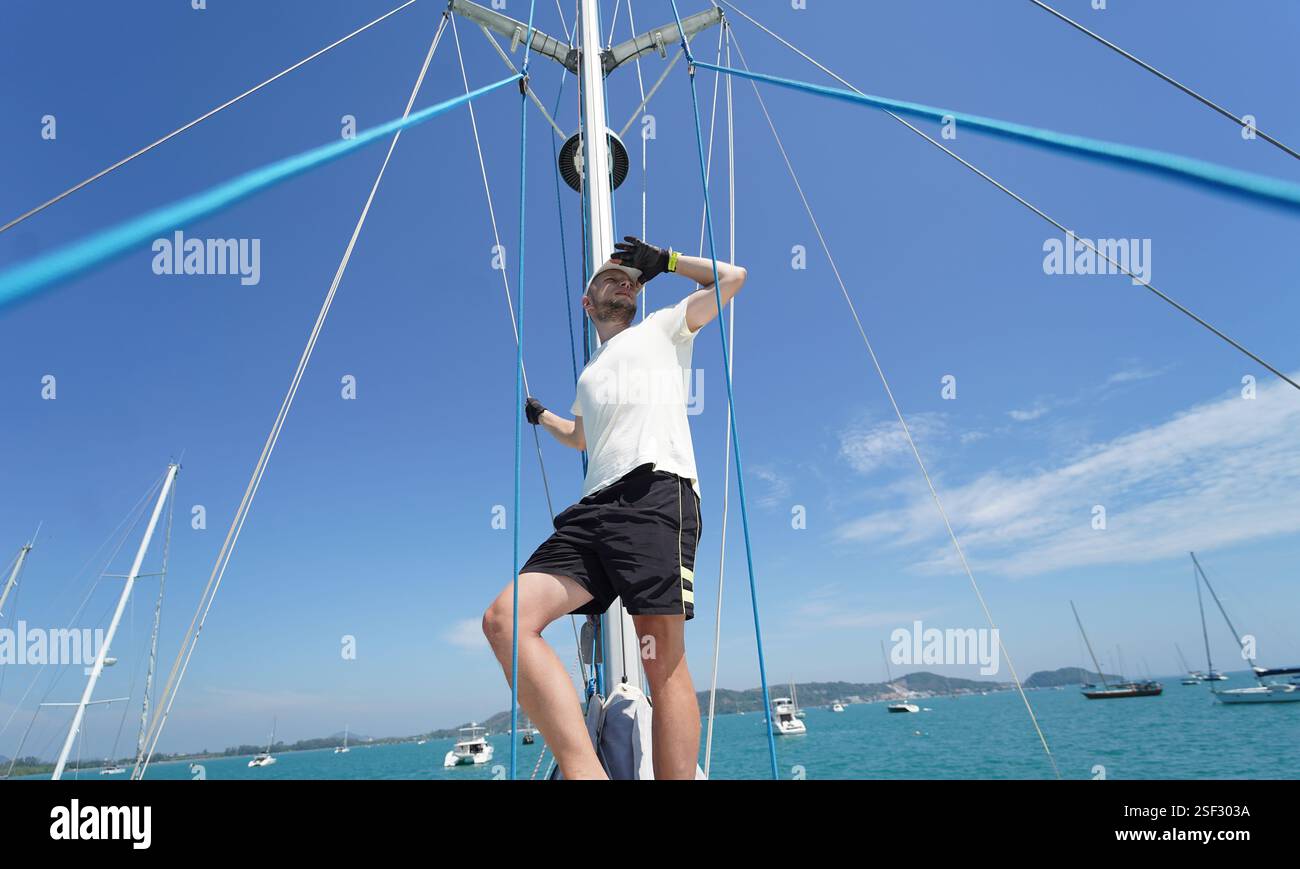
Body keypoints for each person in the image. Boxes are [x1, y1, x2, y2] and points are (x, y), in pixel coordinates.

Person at [482, 236, 747, 779]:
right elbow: (581, 437)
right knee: (505, 621)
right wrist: (542, 416)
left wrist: (668, 261)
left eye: (630, 279)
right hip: (592, 508)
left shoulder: (665, 327)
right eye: (610, 277)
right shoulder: (590, 373)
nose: (624, 282)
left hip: (655, 490)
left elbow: (733, 277)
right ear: (589, 302)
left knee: (660, 660)